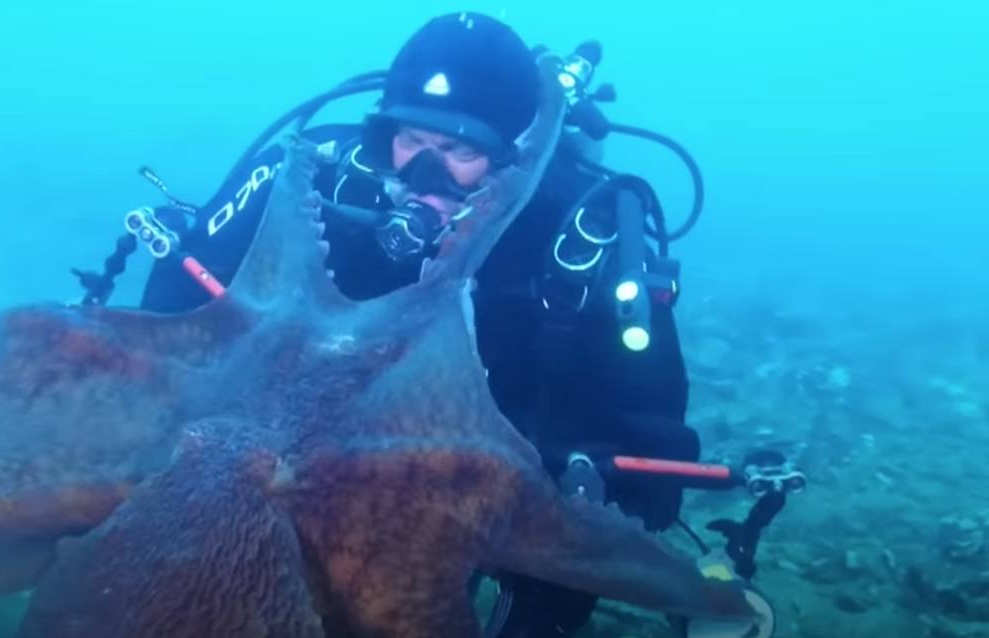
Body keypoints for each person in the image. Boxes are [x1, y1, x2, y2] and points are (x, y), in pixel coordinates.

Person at [104, 11, 769, 638]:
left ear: (512, 158)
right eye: (410, 141)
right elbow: (171, 310)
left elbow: (657, 450)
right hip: (293, 452)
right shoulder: (321, 183)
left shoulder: (584, 242)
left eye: (458, 149)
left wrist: (565, 490)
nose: (425, 172)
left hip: (494, 483)